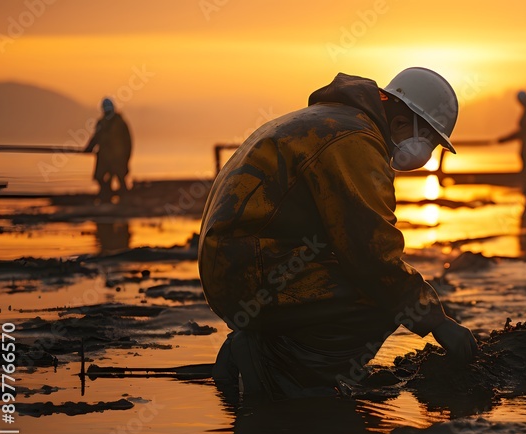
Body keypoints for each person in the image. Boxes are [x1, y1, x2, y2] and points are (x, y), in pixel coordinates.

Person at [199, 68, 478, 401]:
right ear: (403, 121)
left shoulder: (332, 122)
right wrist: (437, 321)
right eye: (430, 141)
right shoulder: (354, 141)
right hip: (250, 274)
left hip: (237, 266)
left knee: (368, 282)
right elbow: (373, 254)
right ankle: (278, 370)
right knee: (380, 298)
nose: (427, 153)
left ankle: (255, 349)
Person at [84, 97, 132, 203]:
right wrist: (89, 148)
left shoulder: (120, 123)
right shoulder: (101, 123)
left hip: (118, 157)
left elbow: (128, 142)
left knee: (120, 178)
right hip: (104, 157)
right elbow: (96, 137)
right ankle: (106, 195)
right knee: (99, 177)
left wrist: (126, 158)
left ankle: (125, 199)